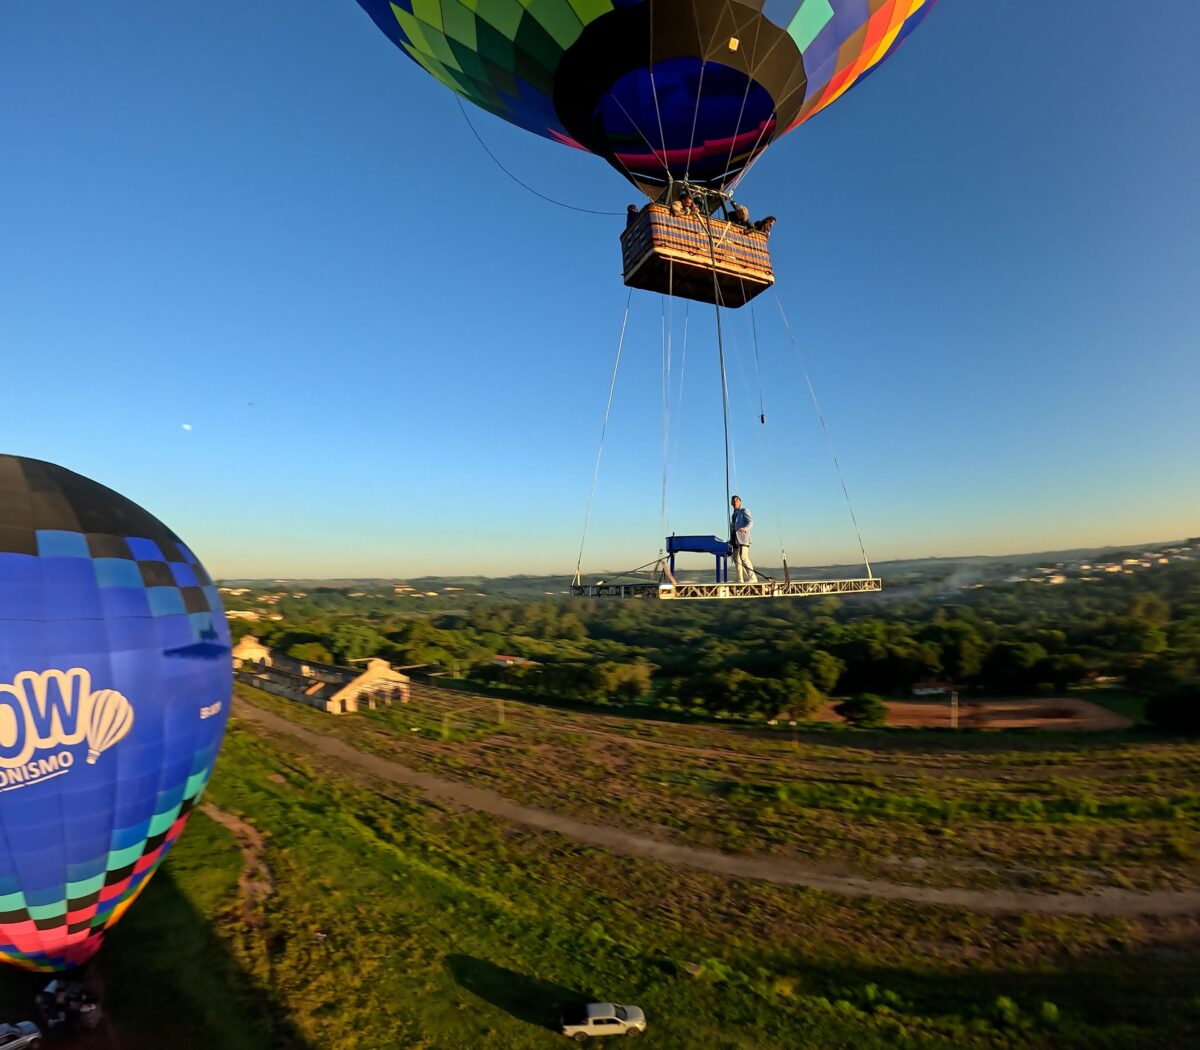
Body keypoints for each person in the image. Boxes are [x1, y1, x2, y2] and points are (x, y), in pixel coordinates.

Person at [730, 495, 757, 583]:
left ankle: (753, 578)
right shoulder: (733, 515)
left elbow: (750, 521)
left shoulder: (744, 511)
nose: (735, 502)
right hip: (735, 540)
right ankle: (740, 579)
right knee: (736, 560)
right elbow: (733, 528)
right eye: (733, 501)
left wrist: (745, 528)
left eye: (737, 500)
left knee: (744, 557)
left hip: (743, 538)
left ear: (740, 502)